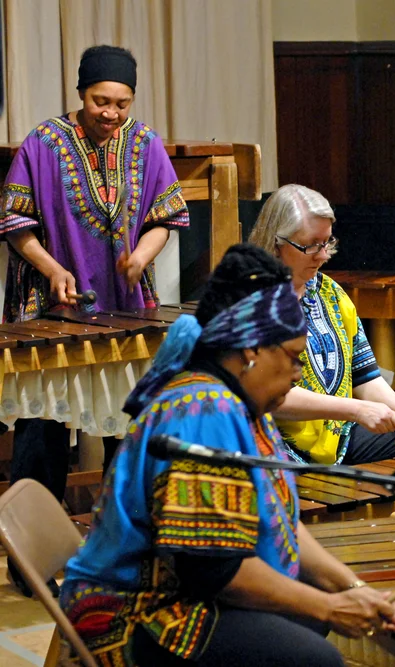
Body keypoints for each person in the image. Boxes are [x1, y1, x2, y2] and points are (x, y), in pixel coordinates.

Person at [59, 244, 395, 666]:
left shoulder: (244, 402)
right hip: (135, 613)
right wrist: (328, 606)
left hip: (185, 591)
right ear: (251, 350)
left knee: (309, 622)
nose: (299, 375)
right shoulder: (202, 411)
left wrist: (351, 589)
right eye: (294, 359)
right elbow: (211, 570)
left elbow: (283, 521)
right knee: (316, 656)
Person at [0, 45, 188, 596]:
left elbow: (166, 216)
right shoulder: (44, 142)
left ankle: (117, 557)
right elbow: (14, 221)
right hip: (50, 309)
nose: (110, 112)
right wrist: (53, 268)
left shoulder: (146, 143)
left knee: (124, 436)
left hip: (125, 309)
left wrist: (142, 255)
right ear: (80, 94)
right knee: (42, 435)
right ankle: (30, 563)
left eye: (121, 103)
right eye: (100, 101)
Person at [248, 184, 395, 465]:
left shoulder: (330, 294)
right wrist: (357, 410)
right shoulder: (251, 300)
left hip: (338, 438)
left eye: (326, 243)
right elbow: (274, 396)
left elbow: (365, 376)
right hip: (272, 446)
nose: (322, 255)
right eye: (310, 245)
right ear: (276, 243)